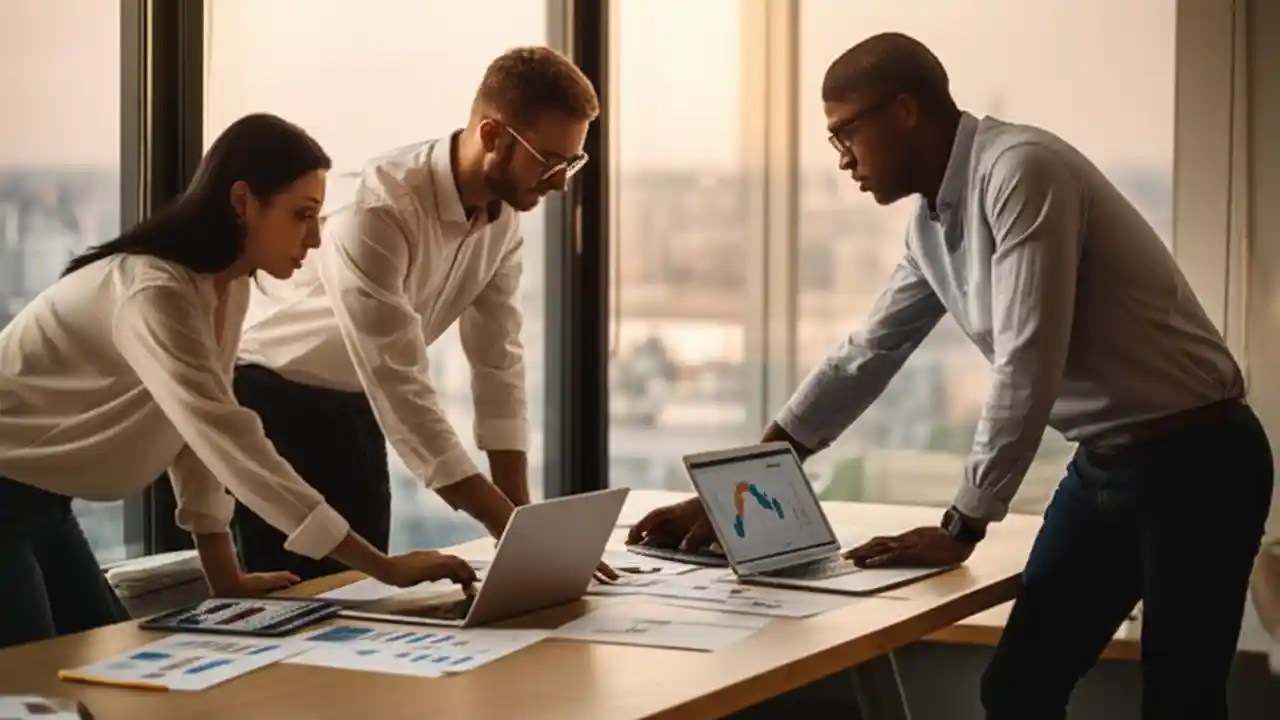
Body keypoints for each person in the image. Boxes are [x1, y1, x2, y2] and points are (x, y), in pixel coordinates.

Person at [628, 33, 1272, 719]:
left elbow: (1029, 359)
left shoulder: (1022, 171)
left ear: (904, 109)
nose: (842, 159)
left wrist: (963, 522)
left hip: (1198, 459)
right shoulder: (931, 226)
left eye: (846, 132)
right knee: (1017, 687)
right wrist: (737, 486)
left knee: (1181, 701)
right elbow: (864, 355)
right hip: (1106, 463)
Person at [0, 114, 476, 650]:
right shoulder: (155, 295)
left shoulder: (225, 292)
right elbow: (229, 440)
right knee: (31, 678)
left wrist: (224, 577)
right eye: (302, 216)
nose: (316, 238)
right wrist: (382, 567)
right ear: (243, 202)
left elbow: (194, 437)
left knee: (91, 665)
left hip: (43, 501)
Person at [231, 47, 600, 580]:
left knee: (358, 596)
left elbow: (499, 363)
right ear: (493, 137)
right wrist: (514, 529)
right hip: (271, 399)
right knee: (299, 603)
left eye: (572, 163)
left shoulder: (503, 221)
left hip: (354, 405)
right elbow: (402, 388)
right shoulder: (378, 212)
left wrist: (523, 521)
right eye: (549, 161)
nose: (561, 181)